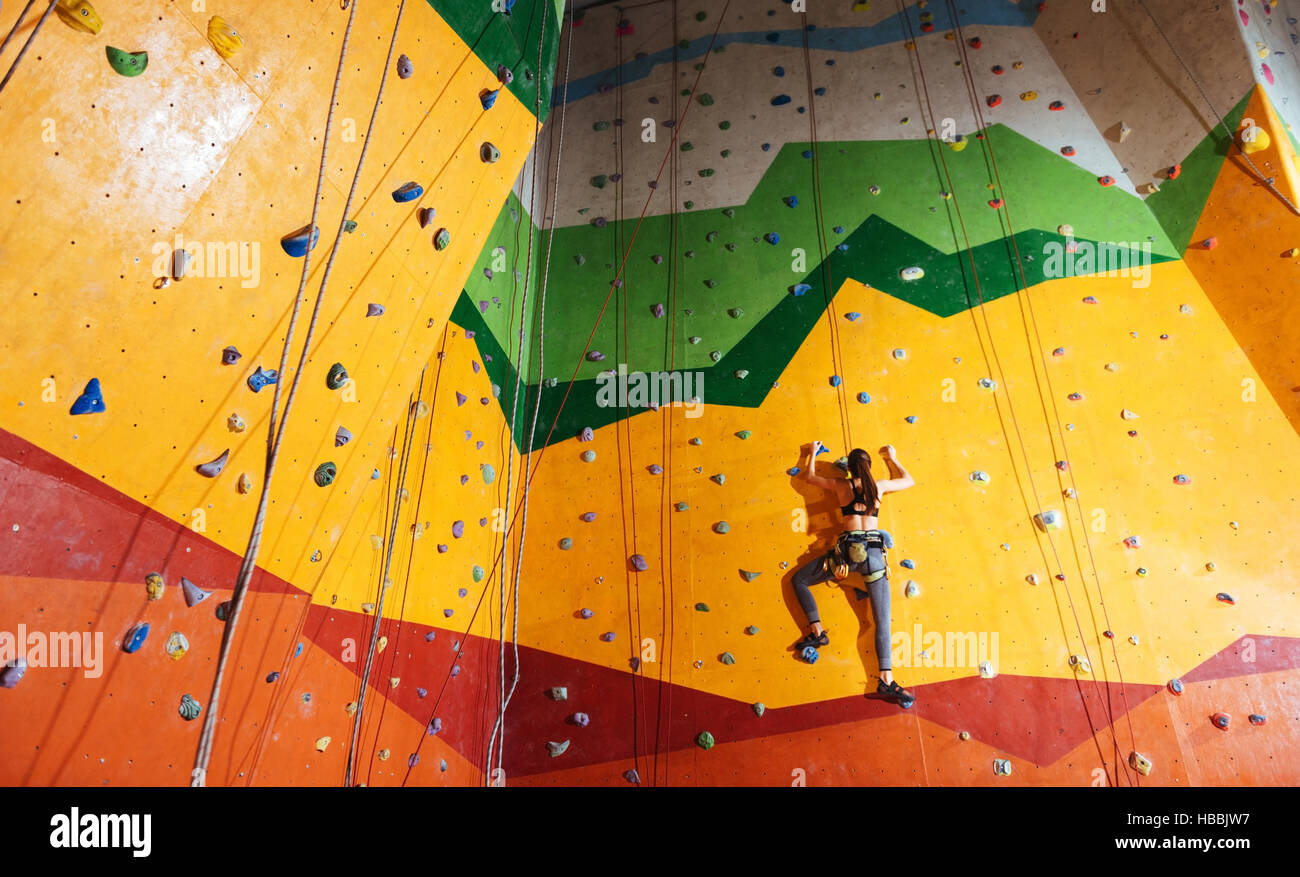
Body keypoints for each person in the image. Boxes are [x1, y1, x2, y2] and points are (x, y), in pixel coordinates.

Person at [790, 442, 916, 706]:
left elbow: (810, 477)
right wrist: (892, 458)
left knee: (799, 580)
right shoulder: (879, 487)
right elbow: (907, 480)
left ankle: (817, 631)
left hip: (845, 556)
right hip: (874, 559)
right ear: (868, 467)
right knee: (881, 622)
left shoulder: (841, 486)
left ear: (848, 468)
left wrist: (812, 454)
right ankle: (886, 679)